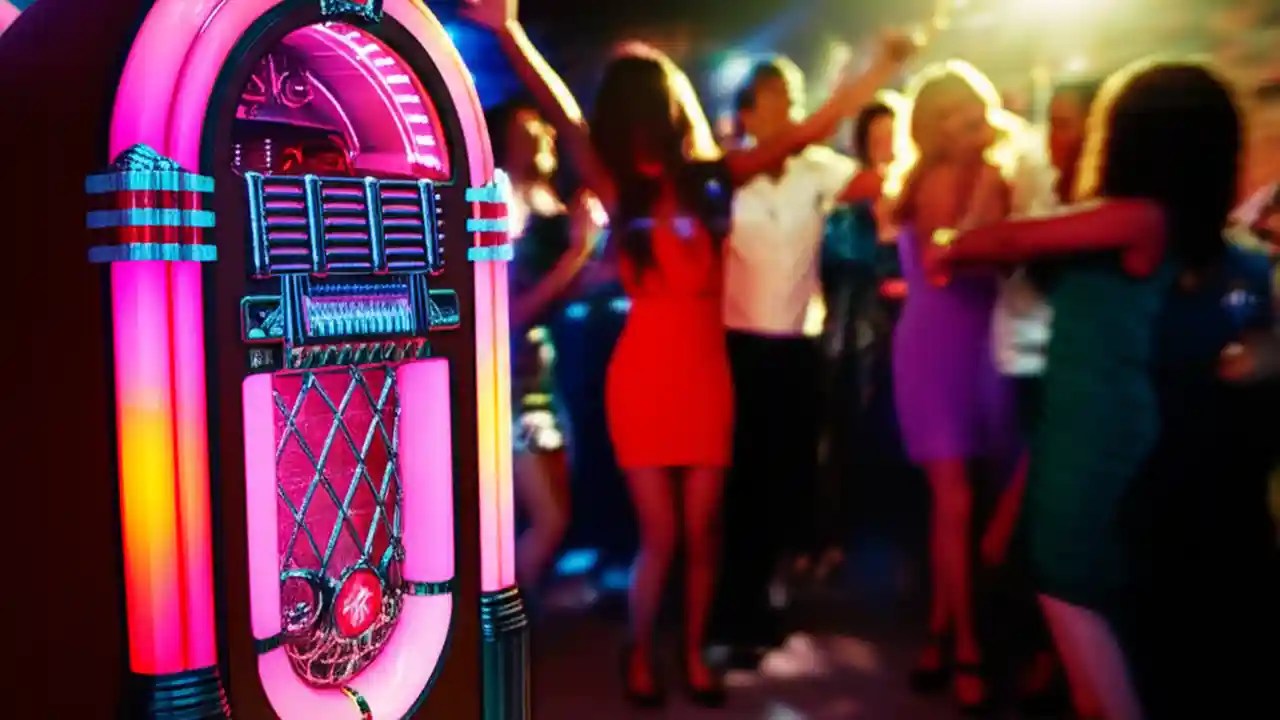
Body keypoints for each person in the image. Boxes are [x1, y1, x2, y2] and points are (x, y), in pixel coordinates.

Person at [463, 0, 917, 707]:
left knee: (704, 531)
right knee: (666, 533)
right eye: (629, 113)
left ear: (668, 113)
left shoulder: (714, 179)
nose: (639, 126)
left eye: (648, 110)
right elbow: (561, 113)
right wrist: (510, 33)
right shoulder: (621, 185)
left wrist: (880, 70)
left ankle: (696, 654)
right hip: (645, 376)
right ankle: (640, 651)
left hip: (706, 376)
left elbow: (809, 130)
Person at [927, 59, 1244, 720]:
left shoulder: (1136, 219)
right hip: (1087, 438)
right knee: (1091, 645)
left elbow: (1016, 239)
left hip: (1096, 452)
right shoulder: (1175, 231)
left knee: (1091, 639)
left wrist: (951, 245)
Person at [710, 56, 859, 670]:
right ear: (749, 110)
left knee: (783, 477)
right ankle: (730, 606)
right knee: (737, 479)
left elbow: (887, 185)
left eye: (795, 95)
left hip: (796, 343)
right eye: (778, 97)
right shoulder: (726, 170)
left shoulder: (819, 168)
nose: (790, 107)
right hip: (733, 343)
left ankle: (766, 595)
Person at [891, 60, 1019, 714]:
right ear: (929, 127)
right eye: (947, 114)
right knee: (955, 497)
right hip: (933, 343)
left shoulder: (998, 176)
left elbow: (1000, 254)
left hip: (985, 340)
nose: (962, 123)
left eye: (969, 108)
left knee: (972, 495)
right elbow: (951, 253)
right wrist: (975, 180)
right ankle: (965, 643)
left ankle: (942, 629)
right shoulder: (930, 181)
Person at [486, 99, 602, 599]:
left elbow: (566, 289)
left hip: (546, 375)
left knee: (558, 513)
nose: (543, 133)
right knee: (549, 519)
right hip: (511, 380)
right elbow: (512, 312)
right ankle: (508, 628)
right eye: (528, 124)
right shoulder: (502, 200)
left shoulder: (546, 198)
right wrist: (579, 251)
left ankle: (519, 622)